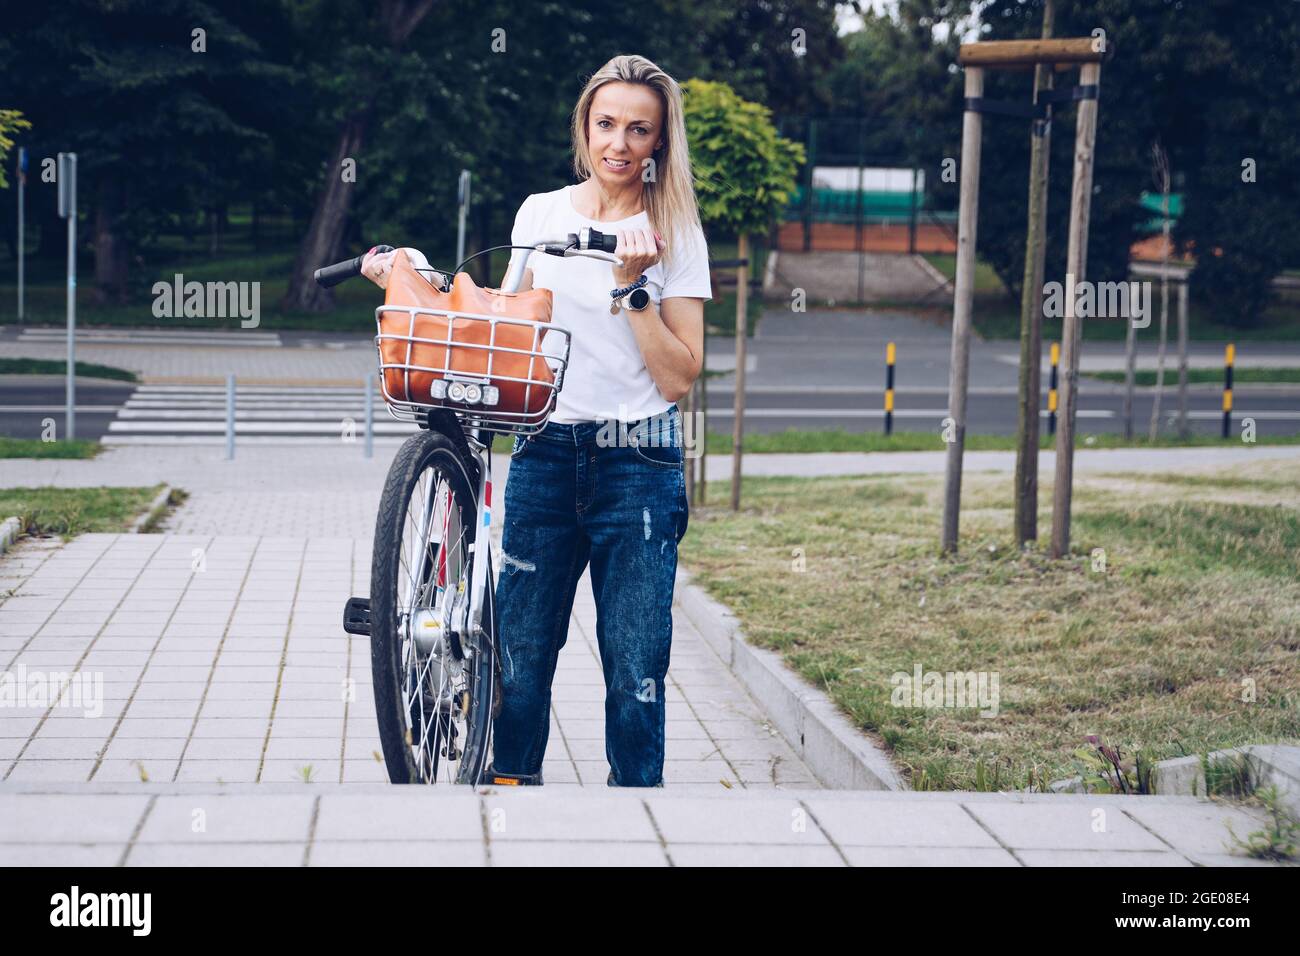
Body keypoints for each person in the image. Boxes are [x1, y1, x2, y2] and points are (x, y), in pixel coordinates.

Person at [362, 53, 711, 787]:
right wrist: (416, 273)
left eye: (638, 129)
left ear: (659, 143)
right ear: (585, 126)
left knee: (635, 667)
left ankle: (638, 817)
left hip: (637, 461)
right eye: (606, 123)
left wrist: (632, 288)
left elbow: (679, 376)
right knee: (517, 661)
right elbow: (499, 320)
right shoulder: (540, 213)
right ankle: (511, 807)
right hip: (546, 452)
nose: (619, 143)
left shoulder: (673, 231)